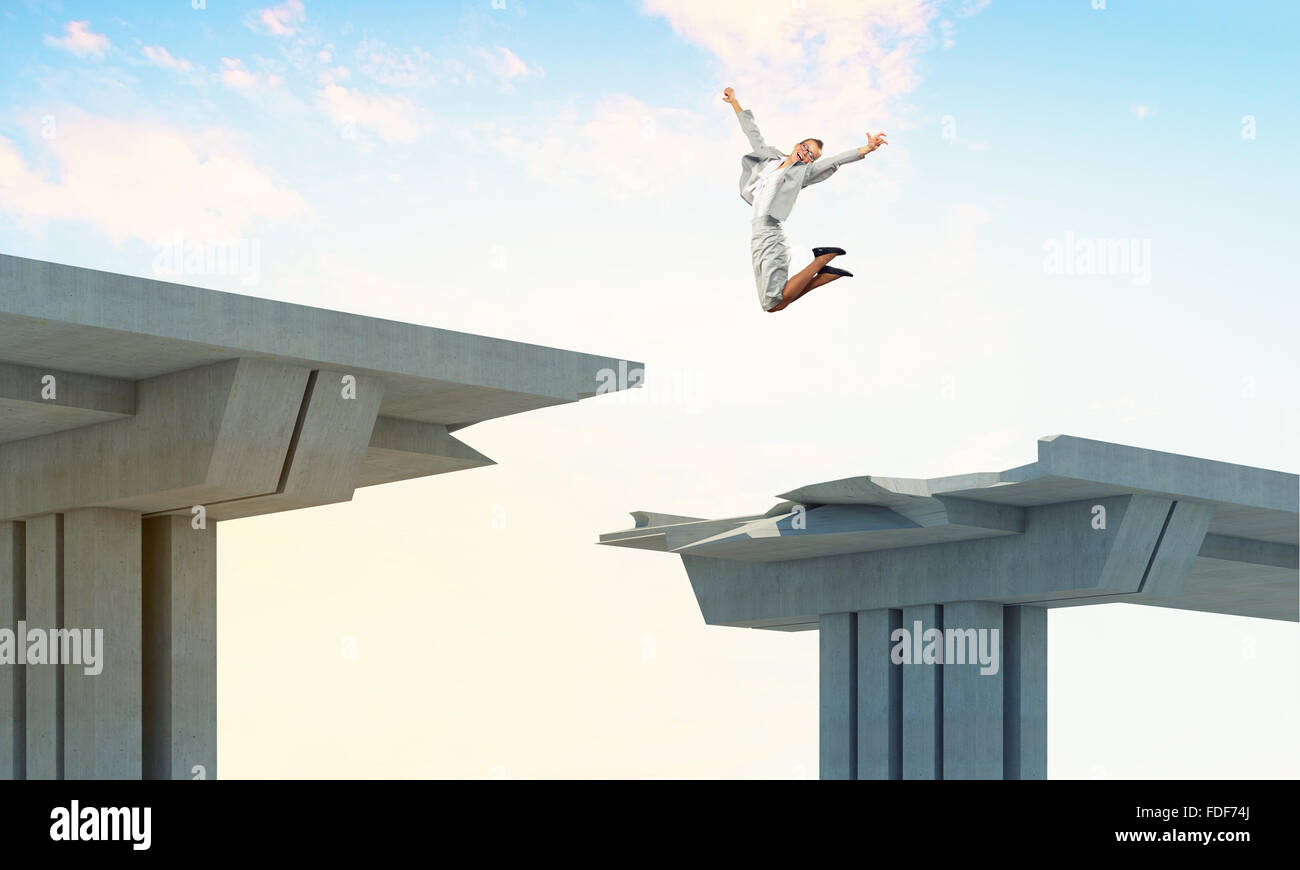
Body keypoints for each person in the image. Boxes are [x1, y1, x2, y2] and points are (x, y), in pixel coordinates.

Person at [723, 86, 887, 312]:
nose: (806, 153)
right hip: (757, 233)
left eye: (811, 155)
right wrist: (734, 102)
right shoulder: (770, 157)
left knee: (772, 304)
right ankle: (824, 274)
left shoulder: (802, 174)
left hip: (771, 233)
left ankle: (822, 260)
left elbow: (834, 161)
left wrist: (867, 148)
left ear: (810, 162)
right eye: (805, 147)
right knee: (773, 303)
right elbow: (752, 132)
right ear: (797, 144)